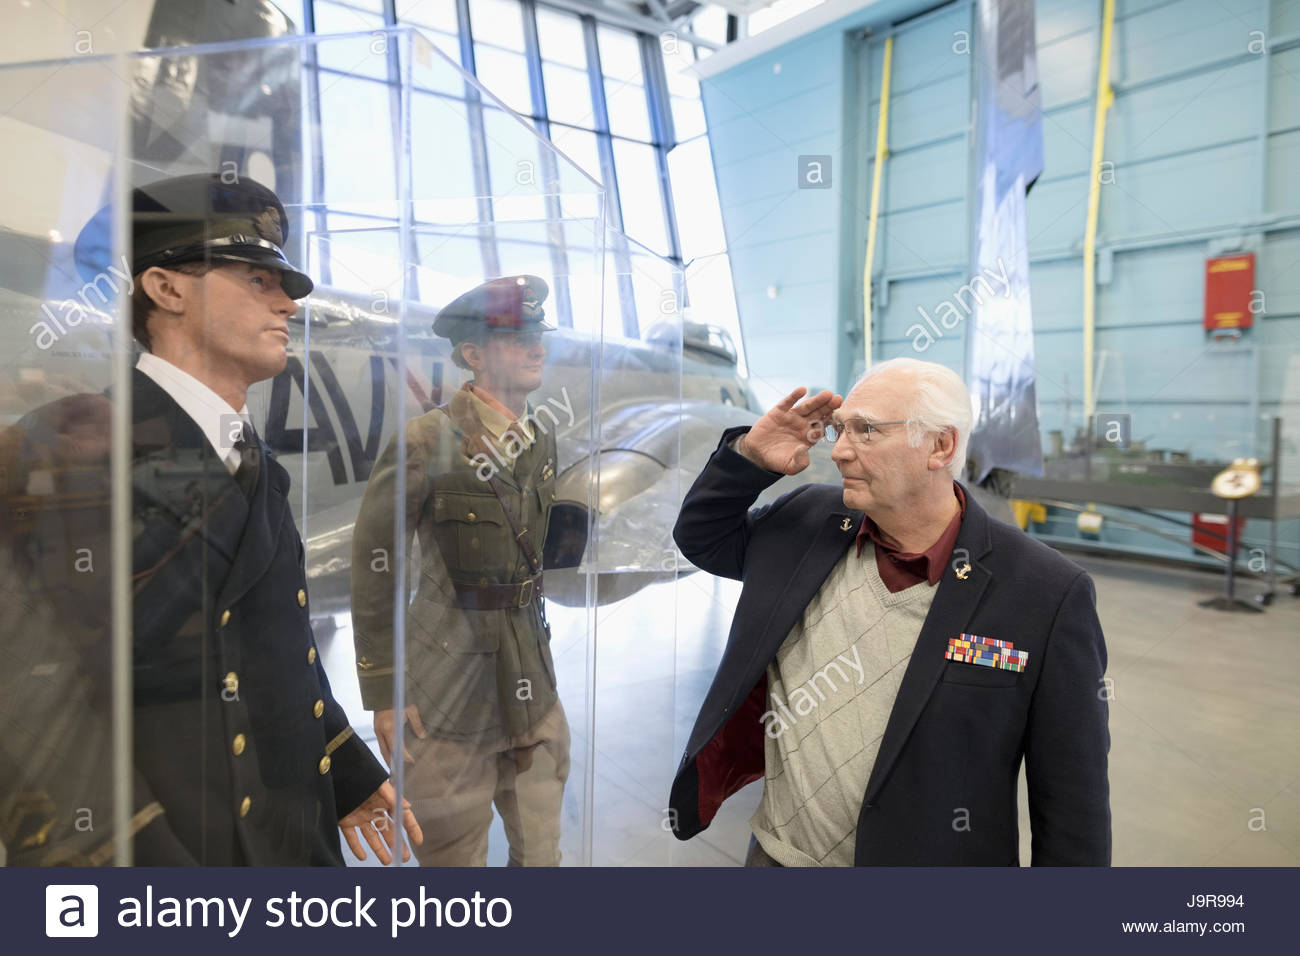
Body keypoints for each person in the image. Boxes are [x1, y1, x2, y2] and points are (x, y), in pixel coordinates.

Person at [0, 173, 421, 865]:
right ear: (166, 289)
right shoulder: (71, 449)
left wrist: (343, 766)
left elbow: (275, 641)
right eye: (258, 279)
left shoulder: (244, 454)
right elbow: (29, 690)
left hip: (290, 833)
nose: (288, 303)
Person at [668, 357, 1110, 866]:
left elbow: (1073, 802)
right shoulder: (807, 521)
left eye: (866, 431)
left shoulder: (1044, 591)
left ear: (940, 446)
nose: (838, 451)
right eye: (838, 429)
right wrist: (749, 457)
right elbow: (702, 537)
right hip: (776, 858)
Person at [350, 275, 571, 866]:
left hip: (533, 684)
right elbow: (376, 570)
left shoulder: (541, 437)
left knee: (542, 855)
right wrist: (384, 691)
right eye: (516, 337)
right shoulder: (425, 442)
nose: (535, 347)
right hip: (447, 688)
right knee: (452, 866)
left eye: (536, 335)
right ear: (472, 355)